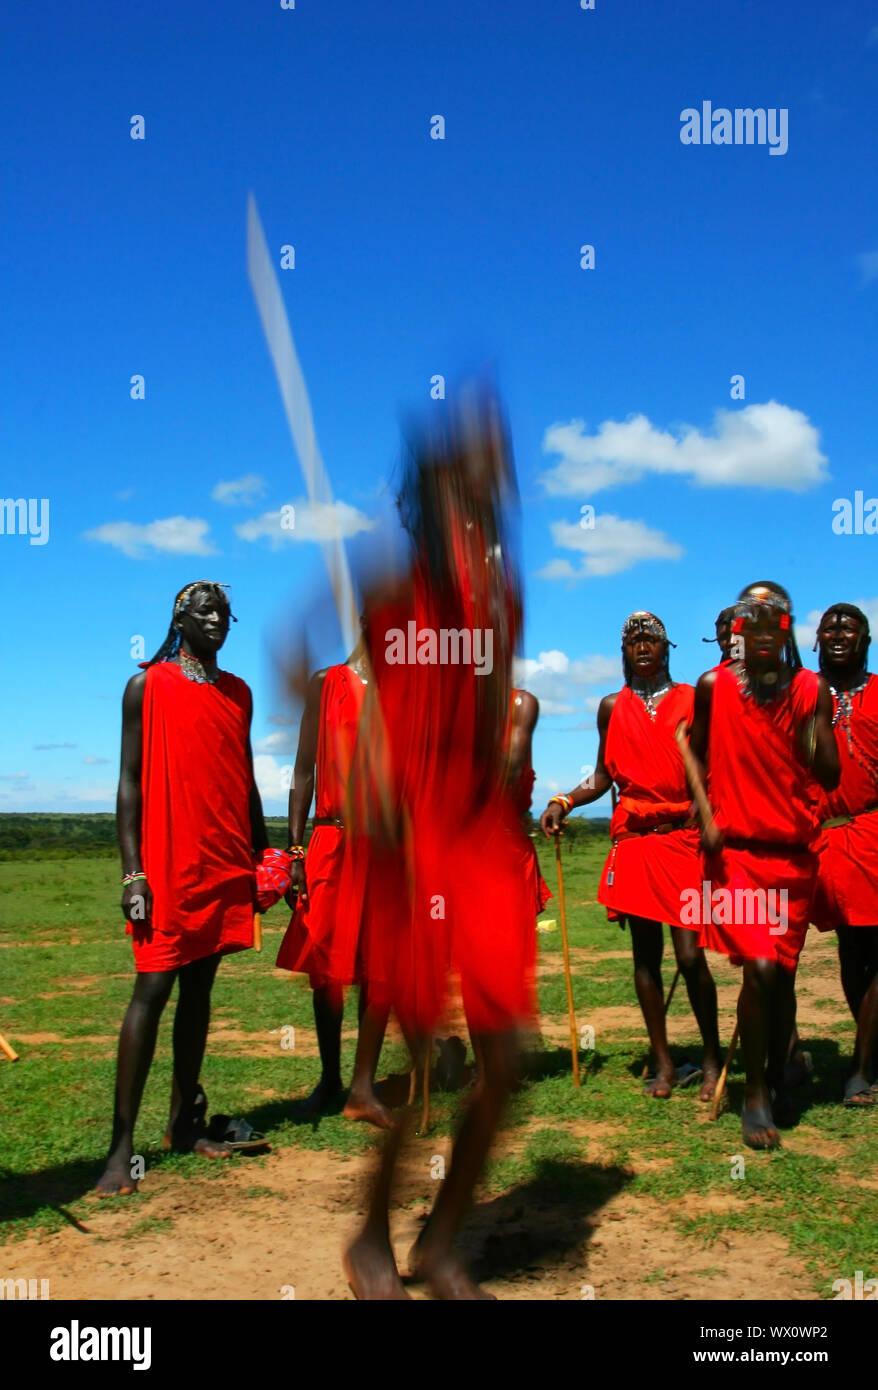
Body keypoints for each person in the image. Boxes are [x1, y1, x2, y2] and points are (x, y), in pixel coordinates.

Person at [342, 393, 536, 1299]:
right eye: (475, 466)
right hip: (413, 832)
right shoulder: (399, 590)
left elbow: (489, 717)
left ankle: (444, 1241)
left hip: (479, 834)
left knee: (504, 1058)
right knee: (422, 1055)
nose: (495, 479)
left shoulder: (506, 596)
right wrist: (378, 796)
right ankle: (371, 1240)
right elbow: (384, 716)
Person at [97, 581, 269, 1196]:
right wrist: (133, 873)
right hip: (167, 866)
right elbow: (128, 784)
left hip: (224, 862)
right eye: (205, 610)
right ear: (180, 619)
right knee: (152, 989)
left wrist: (268, 857)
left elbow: (246, 779)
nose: (217, 619)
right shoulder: (147, 686)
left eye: (224, 611)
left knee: (200, 991)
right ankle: (121, 1148)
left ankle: (183, 1123)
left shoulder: (239, 692)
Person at [540, 612, 721, 1100]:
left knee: (690, 957)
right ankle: (663, 1064)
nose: (643, 647)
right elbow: (602, 775)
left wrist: (709, 813)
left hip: (682, 841)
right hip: (636, 843)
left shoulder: (692, 699)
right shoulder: (611, 707)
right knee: (645, 959)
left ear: (667, 648)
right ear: (624, 652)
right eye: (634, 642)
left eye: (651, 640)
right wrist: (563, 800)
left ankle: (711, 1058)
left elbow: (710, 764)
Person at [688, 581, 839, 1150]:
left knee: (782, 977)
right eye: (748, 623)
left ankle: (779, 1073)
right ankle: (754, 1094)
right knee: (759, 967)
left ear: (785, 630)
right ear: (736, 633)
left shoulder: (810, 689)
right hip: (738, 857)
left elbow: (829, 774)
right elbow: (694, 756)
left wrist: (811, 715)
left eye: (772, 623)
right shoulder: (714, 687)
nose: (759, 634)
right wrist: (705, 812)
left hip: (792, 858)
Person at [276, 636, 392, 1127]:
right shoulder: (327, 683)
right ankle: (329, 1079)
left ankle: (363, 1088)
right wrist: (295, 850)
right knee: (327, 968)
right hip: (331, 838)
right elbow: (303, 770)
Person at [810, 603, 878, 1106]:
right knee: (853, 950)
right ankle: (869, 1054)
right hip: (827, 838)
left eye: (848, 628)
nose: (837, 634)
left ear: (865, 640)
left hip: (877, 829)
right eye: (829, 628)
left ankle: (861, 1068)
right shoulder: (799, 694)